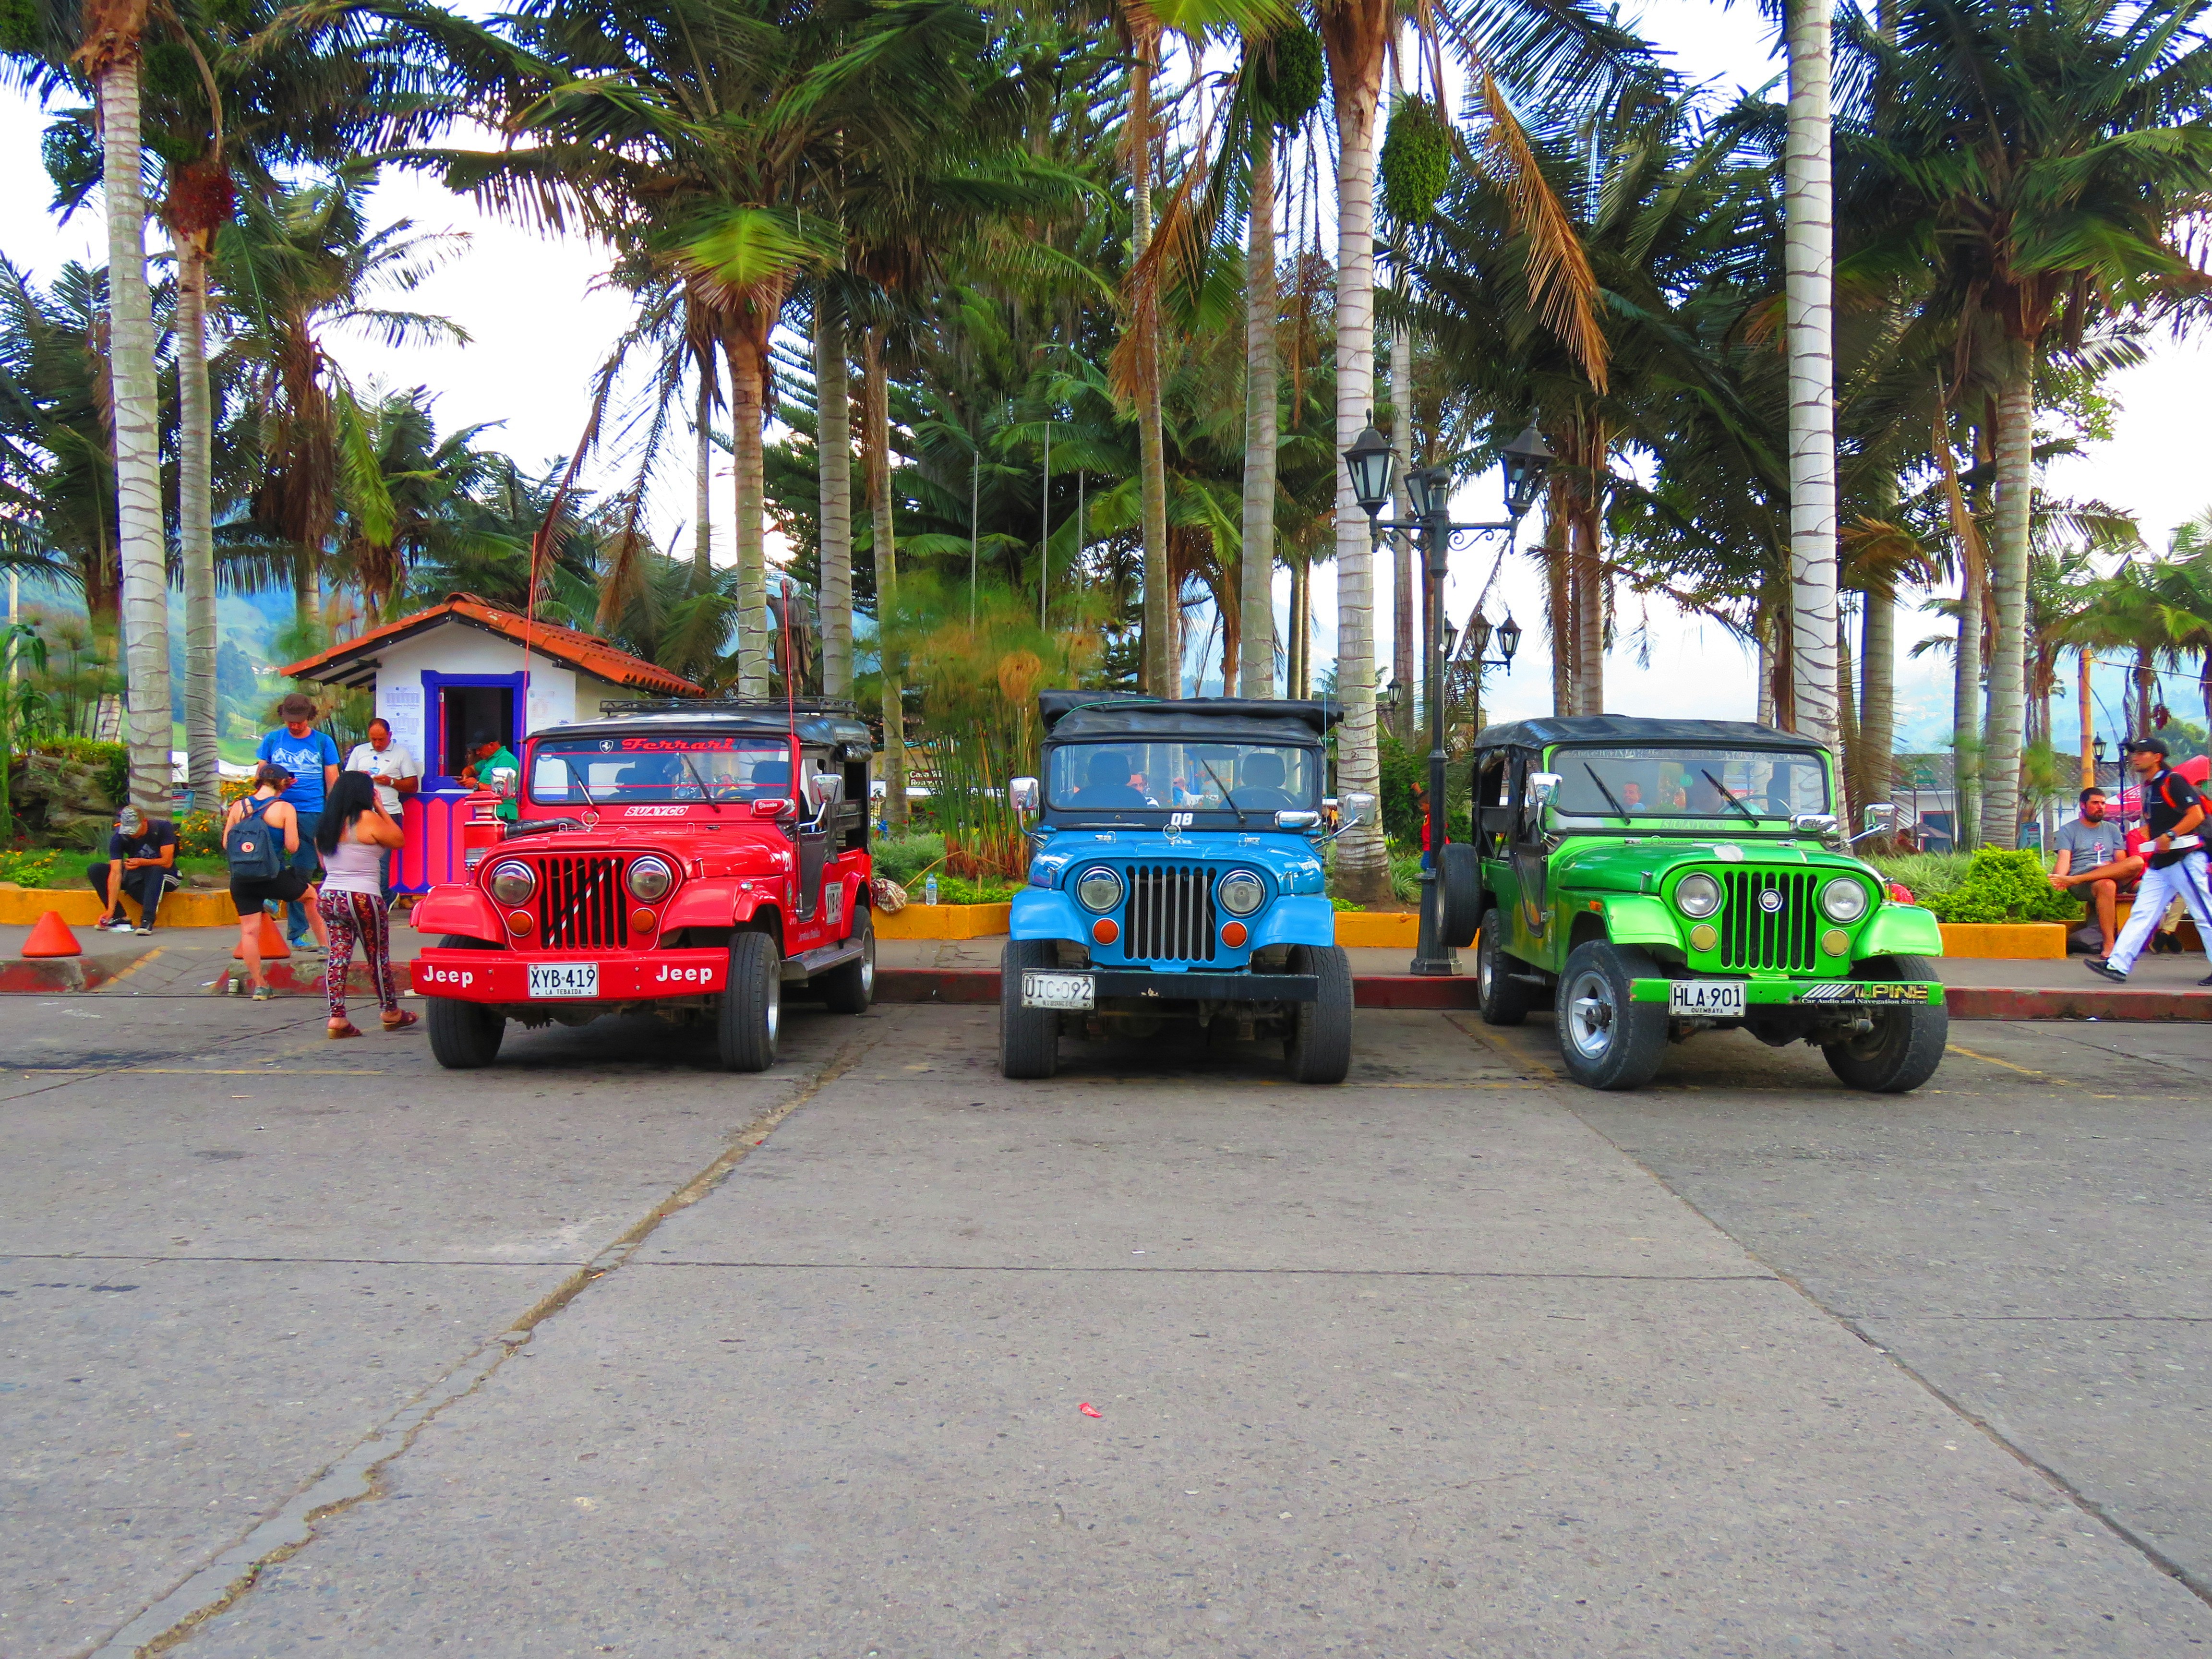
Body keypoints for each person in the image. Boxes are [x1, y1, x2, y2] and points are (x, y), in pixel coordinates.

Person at [2088, 736, 2212, 983]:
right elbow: (2156, 824)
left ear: (2157, 757)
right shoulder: (2151, 787)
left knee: (2203, 913)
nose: (2134, 757)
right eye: (2133, 753)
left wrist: (2170, 835)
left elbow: (2196, 815)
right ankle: (2117, 965)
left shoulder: (2173, 781)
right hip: (2162, 862)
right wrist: (2149, 837)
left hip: (2185, 858)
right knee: (2142, 913)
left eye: (2141, 753)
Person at [314, 771, 414, 1038]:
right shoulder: (368, 819)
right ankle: (390, 1011)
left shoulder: (327, 822)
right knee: (377, 956)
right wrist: (381, 806)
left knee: (338, 956)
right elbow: (398, 840)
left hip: (329, 895)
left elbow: (324, 863)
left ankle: (337, 1017)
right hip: (362, 896)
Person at [223, 763, 330, 999]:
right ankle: (324, 947)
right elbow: (293, 847)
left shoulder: (238, 807)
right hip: (273, 876)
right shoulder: (284, 808)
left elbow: (226, 843)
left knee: (249, 932)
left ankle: (260, 986)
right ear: (283, 783)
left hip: (241, 879)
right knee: (310, 896)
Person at [256, 694, 341, 950]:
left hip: (310, 811)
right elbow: (261, 777)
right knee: (271, 855)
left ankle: (297, 931)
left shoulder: (323, 742)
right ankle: (271, 895)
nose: (294, 726)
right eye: (290, 721)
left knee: (302, 871)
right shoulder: (272, 740)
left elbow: (332, 779)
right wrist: (278, 785)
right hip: (275, 807)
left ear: (309, 718)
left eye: (300, 722)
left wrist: (333, 812)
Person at [2050, 787, 2140, 957]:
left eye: (2103, 803)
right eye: (2095, 803)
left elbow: (2121, 862)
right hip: (2085, 884)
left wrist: (2110, 866)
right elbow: (2064, 860)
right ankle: (2109, 945)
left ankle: (2076, 879)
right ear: (2083, 806)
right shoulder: (2068, 830)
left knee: (2137, 861)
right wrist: (2060, 878)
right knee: (2107, 885)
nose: (2101, 807)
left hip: (2104, 874)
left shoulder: (2112, 829)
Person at [344, 717, 421, 895]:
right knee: (360, 857)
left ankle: (383, 897)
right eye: (374, 740)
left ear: (390, 735)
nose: (378, 744)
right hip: (361, 813)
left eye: (381, 739)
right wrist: (359, 778)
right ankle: (367, 896)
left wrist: (391, 782)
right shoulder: (359, 751)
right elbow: (346, 782)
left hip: (389, 811)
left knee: (382, 860)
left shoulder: (400, 753)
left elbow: (413, 785)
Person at [86, 804, 178, 935]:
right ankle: (119, 916)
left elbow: (167, 862)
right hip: (137, 876)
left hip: (166, 875)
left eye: (135, 829)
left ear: (144, 822)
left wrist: (142, 862)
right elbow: (116, 872)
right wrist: (110, 910)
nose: (132, 833)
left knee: (155, 869)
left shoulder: (162, 828)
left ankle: (147, 920)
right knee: (96, 869)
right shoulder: (119, 837)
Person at [459, 733, 521, 822]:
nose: (477, 753)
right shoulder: (489, 760)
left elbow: (504, 791)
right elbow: (471, 769)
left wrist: (476, 785)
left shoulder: (506, 759)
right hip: (488, 812)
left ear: (491, 745)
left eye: (480, 749)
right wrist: (465, 776)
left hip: (501, 813)